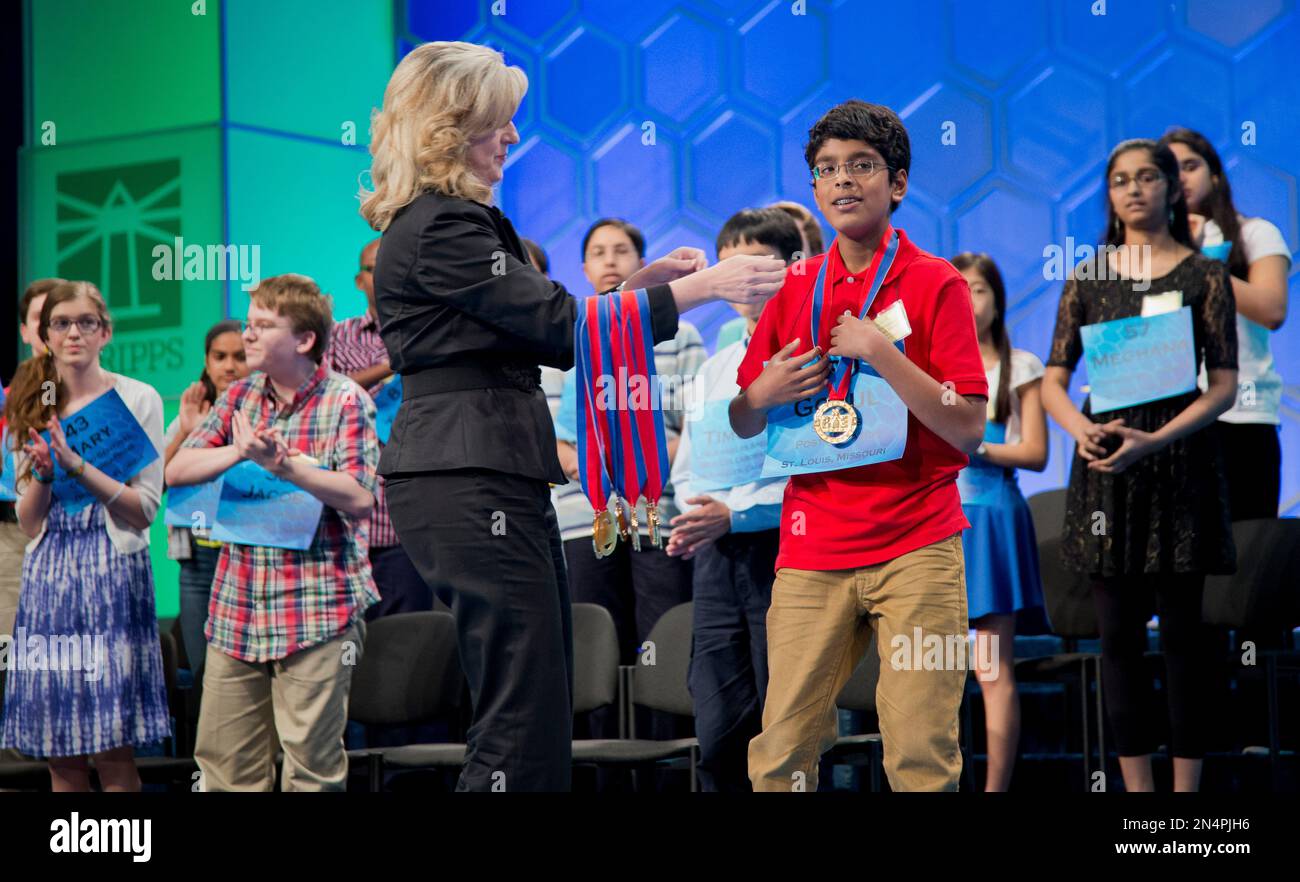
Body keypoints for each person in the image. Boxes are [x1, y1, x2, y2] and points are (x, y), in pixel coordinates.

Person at [359, 41, 785, 792]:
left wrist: (638, 292)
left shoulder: (450, 223)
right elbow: (564, 326)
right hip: (469, 475)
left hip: (484, 472)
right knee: (521, 706)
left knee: (534, 695)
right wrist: (706, 286)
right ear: (450, 127)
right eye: (501, 122)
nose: (515, 138)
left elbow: (551, 326)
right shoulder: (442, 227)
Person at [730, 100, 989, 792]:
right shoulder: (794, 289)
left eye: (862, 167)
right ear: (815, 189)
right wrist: (761, 393)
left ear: (897, 184)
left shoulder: (936, 283)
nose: (843, 181)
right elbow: (741, 420)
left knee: (921, 752)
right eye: (828, 169)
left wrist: (880, 351)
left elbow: (966, 425)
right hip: (812, 549)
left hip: (918, 544)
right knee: (782, 751)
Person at [1040, 139, 1237, 792]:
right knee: (1117, 635)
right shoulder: (1090, 274)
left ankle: (1185, 801)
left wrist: (1156, 442)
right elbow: (1053, 380)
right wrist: (1081, 431)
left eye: (1147, 176)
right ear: (1110, 194)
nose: (1133, 188)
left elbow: (1224, 386)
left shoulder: (1205, 276)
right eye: (1120, 180)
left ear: (1170, 188)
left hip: (1179, 461)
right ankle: (1137, 799)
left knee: (1185, 637)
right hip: (1105, 464)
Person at [166, 274, 380, 791]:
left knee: (310, 768)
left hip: (315, 606)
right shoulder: (240, 396)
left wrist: (286, 468)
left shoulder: (344, 400)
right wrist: (238, 451)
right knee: (224, 765)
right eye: (248, 324)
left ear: (304, 340)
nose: (249, 337)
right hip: (238, 605)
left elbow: (359, 496)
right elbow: (177, 471)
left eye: (263, 325)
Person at [1, 281, 171, 791]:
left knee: (112, 748)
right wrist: (49, 474)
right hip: (50, 571)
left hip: (112, 566)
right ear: (45, 334)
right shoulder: (32, 401)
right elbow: (31, 523)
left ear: (106, 332)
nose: (74, 332)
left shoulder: (136, 396)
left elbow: (143, 510)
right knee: (61, 751)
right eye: (61, 323)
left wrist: (77, 465)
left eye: (86, 323)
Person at [667, 206, 801, 791]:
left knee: (789, 721)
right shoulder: (715, 369)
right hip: (716, 561)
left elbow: (813, 470)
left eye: (758, 264)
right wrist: (694, 513)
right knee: (719, 726)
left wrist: (738, 512)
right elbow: (687, 468)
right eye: (732, 266)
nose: (743, 279)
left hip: (787, 552)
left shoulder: (812, 357)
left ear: (793, 268)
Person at [951, 252, 1048, 791]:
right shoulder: (926, 363)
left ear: (998, 298)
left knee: (992, 667)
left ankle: (996, 788)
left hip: (990, 517)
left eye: (980, 289)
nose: (969, 300)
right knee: (925, 666)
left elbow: (1035, 452)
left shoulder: (1022, 364)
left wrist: (975, 441)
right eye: (959, 288)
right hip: (931, 515)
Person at [1158, 128, 1290, 520]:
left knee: (1244, 563)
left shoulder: (1254, 233)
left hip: (1241, 417)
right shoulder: (1148, 251)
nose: (1180, 176)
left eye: (1191, 166)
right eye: (1169, 169)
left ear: (1216, 175)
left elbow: (1273, 310)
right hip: (1167, 421)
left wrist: (1198, 264)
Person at [326, 238, 436, 619]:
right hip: (346, 528)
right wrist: (393, 362)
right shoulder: (338, 337)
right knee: (350, 657)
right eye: (378, 267)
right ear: (360, 281)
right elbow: (325, 396)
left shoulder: (434, 335)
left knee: (408, 652)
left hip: (412, 525)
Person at [163, 319, 248, 690]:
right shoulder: (192, 408)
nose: (229, 365)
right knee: (203, 678)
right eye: (220, 356)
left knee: (241, 674)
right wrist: (186, 428)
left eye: (240, 356)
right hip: (197, 558)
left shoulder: (262, 409)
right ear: (207, 361)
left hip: (244, 554)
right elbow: (158, 480)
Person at [716, 201, 827, 350]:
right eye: (729, 266)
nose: (743, 277)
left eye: (757, 262)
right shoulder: (716, 363)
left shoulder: (827, 333)